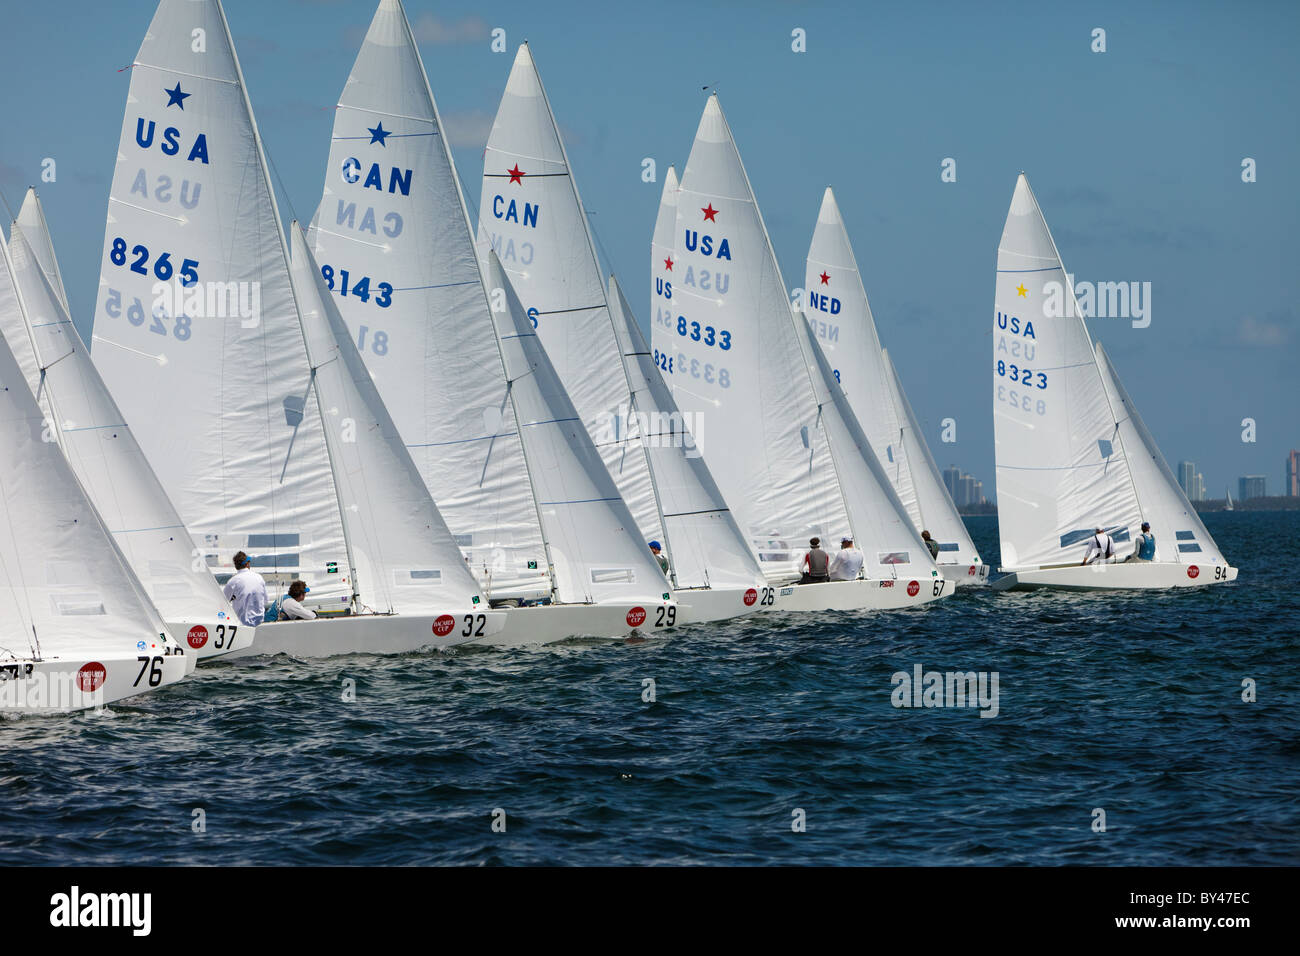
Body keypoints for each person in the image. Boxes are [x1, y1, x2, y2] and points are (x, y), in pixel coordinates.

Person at [222, 551, 268, 627]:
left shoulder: (233, 581)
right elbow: (265, 601)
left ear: (236, 566)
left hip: (242, 626)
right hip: (260, 624)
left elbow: (223, 602)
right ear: (247, 563)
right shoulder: (259, 578)